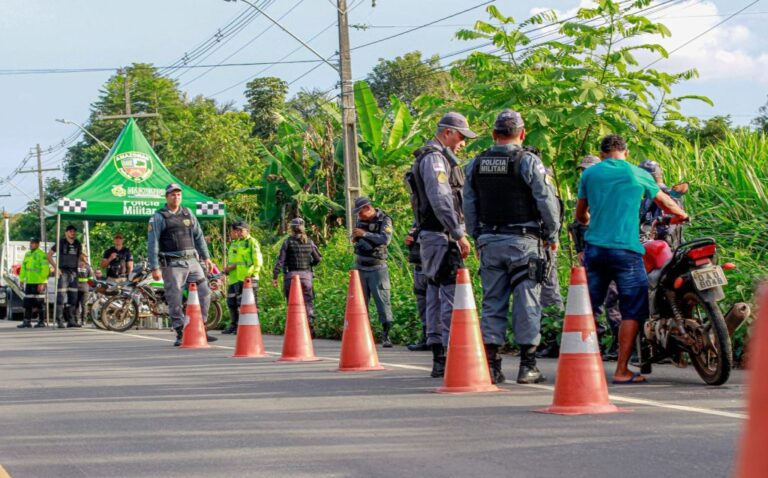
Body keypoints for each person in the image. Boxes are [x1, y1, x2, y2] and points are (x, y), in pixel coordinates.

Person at [576, 134, 687, 384]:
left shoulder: (589, 174)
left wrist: (590, 222)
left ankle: (582, 367)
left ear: (602, 154)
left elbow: (581, 215)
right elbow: (665, 202)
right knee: (632, 310)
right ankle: (622, 370)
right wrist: (681, 214)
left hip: (594, 250)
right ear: (625, 152)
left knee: (587, 308)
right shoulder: (637, 173)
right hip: (626, 251)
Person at [464, 109, 561, 384]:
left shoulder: (475, 163)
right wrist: (552, 234)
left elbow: (468, 205)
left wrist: (476, 237)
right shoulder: (529, 161)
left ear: (494, 134)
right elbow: (546, 201)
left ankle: (493, 367)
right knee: (527, 302)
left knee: (492, 302)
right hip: (524, 243)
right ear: (522, 133)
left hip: (489, 242)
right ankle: (527, 366)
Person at [408, 112, 475, 378]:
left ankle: (440, 356)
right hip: (441, 235)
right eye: (461, 137)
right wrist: (458, 232)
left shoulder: (432, 156)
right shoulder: (435, 158)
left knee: (435, 291)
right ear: (447, 132)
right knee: (447, 293)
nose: (462, 143)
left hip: (432, 235)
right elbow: (440, 198)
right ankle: (448, 352)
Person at [566, 154, 623, 361]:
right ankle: (595, 344)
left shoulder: (608, 194)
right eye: (583, 170)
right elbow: (578, 223)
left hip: (609, 252)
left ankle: (620, 346)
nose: (585, 174)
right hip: (592, 256)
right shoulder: (586, 193)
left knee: (612, 301)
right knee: (592, 302)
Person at [148, 183, 217, 347]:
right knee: (175, 298)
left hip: (193, 261)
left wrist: (206, 258)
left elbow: (199, 236)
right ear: (166, 197)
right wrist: (154, 267)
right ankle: (180, 331)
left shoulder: (188, 213)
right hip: (172, 264)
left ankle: (201, 326)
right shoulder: (159, 217)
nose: (176, 197)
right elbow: (153, 243)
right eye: (172, 194)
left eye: (178, 194)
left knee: (205, 291)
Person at [351, 197, 394, 347]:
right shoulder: (360, 221)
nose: (359, 216)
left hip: (377, 267)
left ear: (368, 207)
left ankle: (386, 335)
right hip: (360, 266)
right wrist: (356, 238)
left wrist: (365, 235)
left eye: (361, 212)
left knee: (382, 301)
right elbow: (356, 237)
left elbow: (385, 239)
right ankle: (363, 334)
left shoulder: (385, 220)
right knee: (360, 303)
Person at [272, 218, 322, 335]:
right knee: (308, 302)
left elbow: (280, 261)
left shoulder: (287, 242)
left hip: (291, 277)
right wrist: (310, 266)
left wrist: (275, 276)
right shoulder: (309, 241)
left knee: (292, 304)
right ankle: (309, 325)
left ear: (291, 229)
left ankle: (295, 329)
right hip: (306, 276)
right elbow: (318, 258)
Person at [222, 221, 263, 335]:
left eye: (241, 230)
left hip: (250, 278)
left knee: (252, 303)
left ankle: (254, 326)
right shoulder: (239, 243)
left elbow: (257, 260)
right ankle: (238, 326)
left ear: (247, 231)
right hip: (239, 278)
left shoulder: (252, 242)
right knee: (238, 303)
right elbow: (237, 261)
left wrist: (254, 273)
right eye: (237, 230)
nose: (239, 233)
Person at [48, 224, 83, 328]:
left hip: (74, 272)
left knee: (73, 297)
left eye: (74, 231)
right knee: (61, 297)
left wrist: (83, 261)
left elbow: (79, 256)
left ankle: (71, 320)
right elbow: (49, 255)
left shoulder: (78, 243)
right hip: (63, 272)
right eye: (71, 231)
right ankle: (59, 320)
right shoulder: (60, 242)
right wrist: (56, 267)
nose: (73, 233)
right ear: (66, 232)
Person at [405, 225, 429, 351]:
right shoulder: (417, 223)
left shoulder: (441, 216)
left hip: (432, 268)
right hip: (419, 268)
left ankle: (438, 339)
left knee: (436, 303)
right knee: (422, 304)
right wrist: (409, 242)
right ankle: (426, 337)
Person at [18, 237, 49, 328]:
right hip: (29, 282)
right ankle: (27, 321)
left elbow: (45, 270)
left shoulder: (41, 255)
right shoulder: (27, 254)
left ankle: (41, 321)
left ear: (38, 244)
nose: (31, 244)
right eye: (31, 243)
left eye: (33, 243)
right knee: (27, 302)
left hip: (39, 283)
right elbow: (23, 268)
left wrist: (42, 283)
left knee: (39, 303)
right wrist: (21, 280)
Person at [76, 253, 94, 327]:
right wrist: (91, 288)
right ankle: (84, 321)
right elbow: (91, 279)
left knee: (76, 305)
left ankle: (76, 320)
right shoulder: (88, 267)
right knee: (84, 305)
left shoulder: (76, 266)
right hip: (85, 288)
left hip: (76, 287)